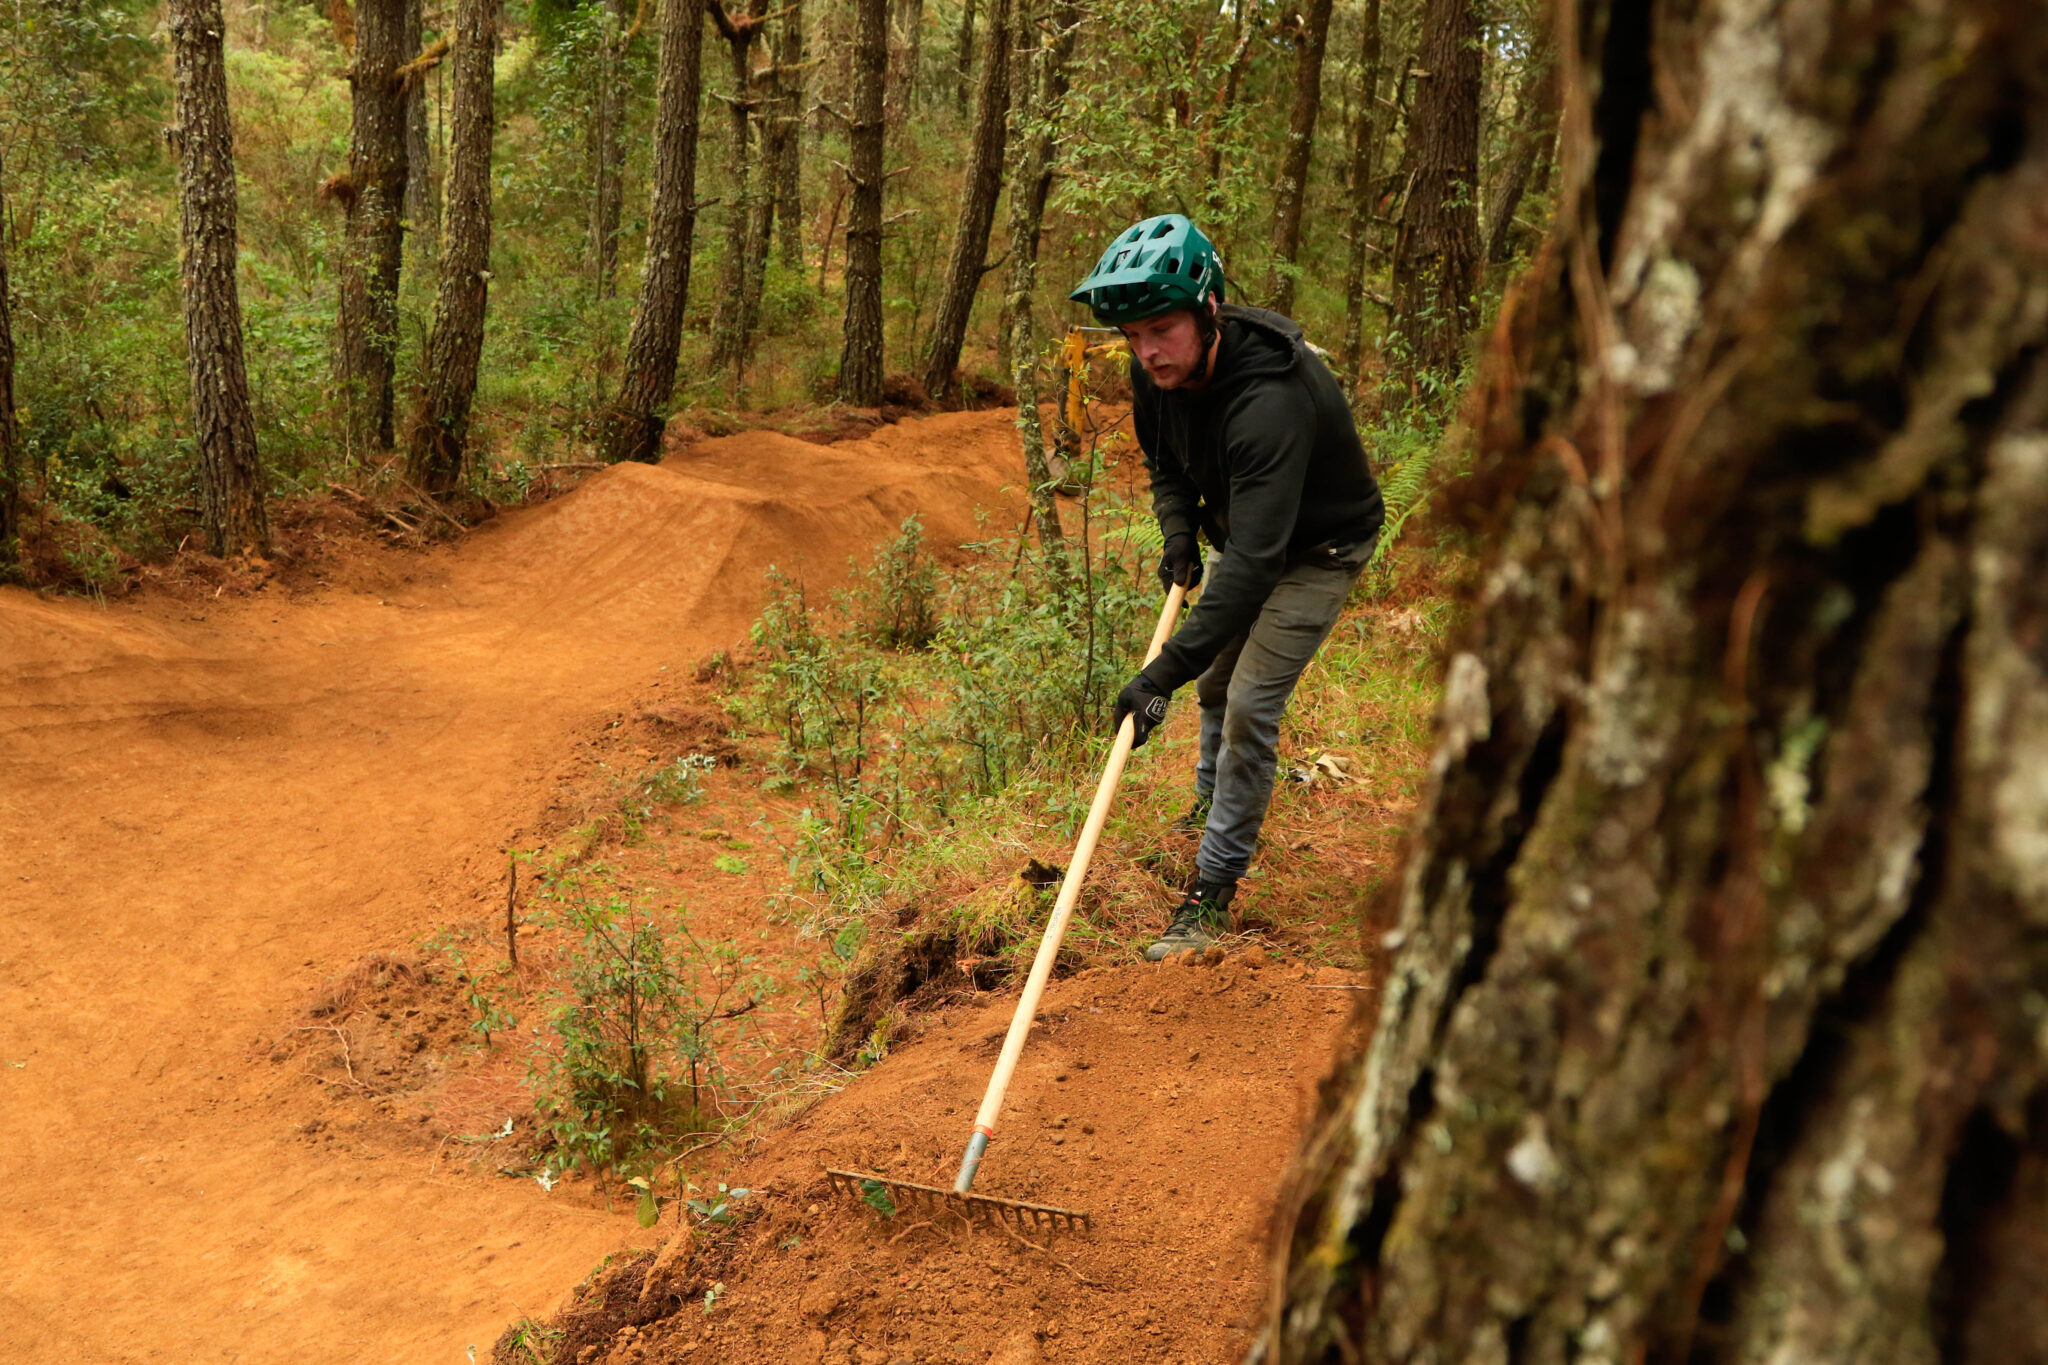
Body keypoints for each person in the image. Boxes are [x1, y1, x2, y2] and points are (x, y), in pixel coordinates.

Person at [1069, 214, 1385, 961]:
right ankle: (1211, 802)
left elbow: (1254, 568)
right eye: (1133, 336)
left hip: (1320, 548)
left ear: (1208, 309)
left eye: (1163, 329)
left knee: (1246, 703)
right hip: (1246, 535)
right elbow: (1166, 464)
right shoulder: (1157, 374)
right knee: (1215, 680)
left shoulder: (1272, 399)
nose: (1148, 351)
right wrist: (1179, 533)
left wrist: (1158, 676)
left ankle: (1212, 890)